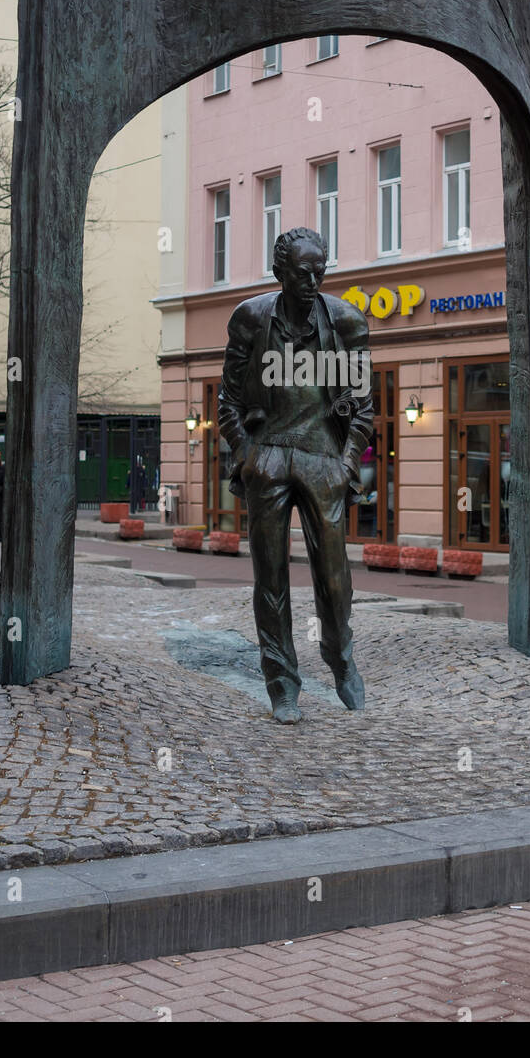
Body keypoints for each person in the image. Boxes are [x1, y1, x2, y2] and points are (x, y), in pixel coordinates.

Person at [218, 226, 373, 724]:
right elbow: (228, 400)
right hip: (267, 458)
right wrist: (246, 453)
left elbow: (363, 408)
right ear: (279, 272)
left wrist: (347, 463)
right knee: (271, 577)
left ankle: (340, 655)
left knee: (334, 577)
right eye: (303, 273)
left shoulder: (346, 322)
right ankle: (281, 683)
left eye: (320, 272)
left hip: (323, 459)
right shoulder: (250, 318)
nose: (313, 282)